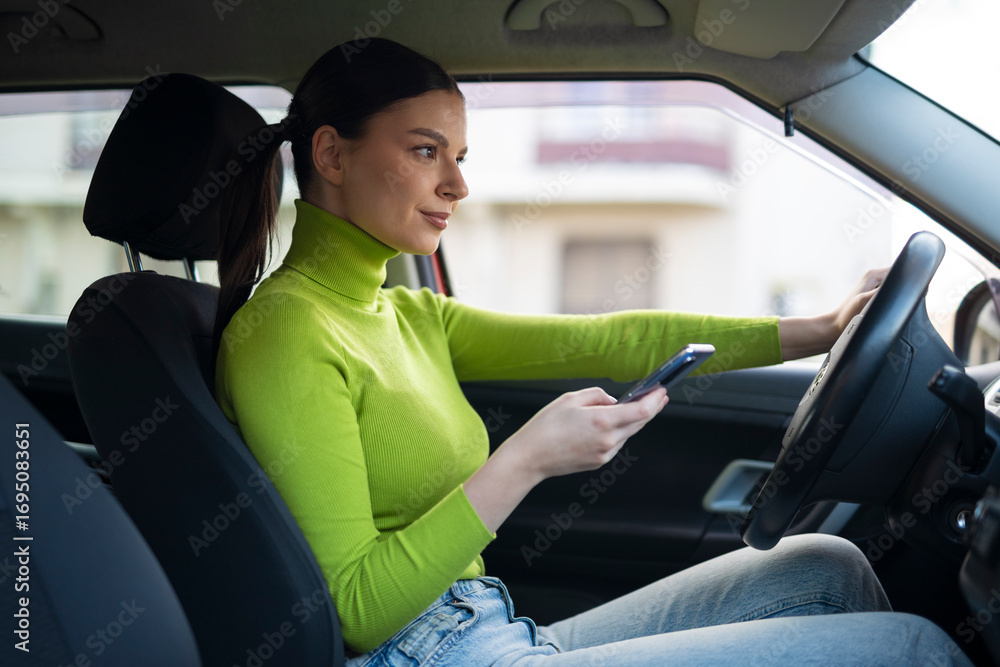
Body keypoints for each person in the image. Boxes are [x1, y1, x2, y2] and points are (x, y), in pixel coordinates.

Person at [212, 38, 971, 666]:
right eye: (425, 151)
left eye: (461, 156)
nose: (458, 184)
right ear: (331, 156)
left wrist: (818, 328)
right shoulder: (284, 331)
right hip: (424, 654)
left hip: (484, 627)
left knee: (826, 569)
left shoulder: (406, 313)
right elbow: (355, 612)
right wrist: (526, 458)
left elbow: (610, 338)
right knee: (913, 649)